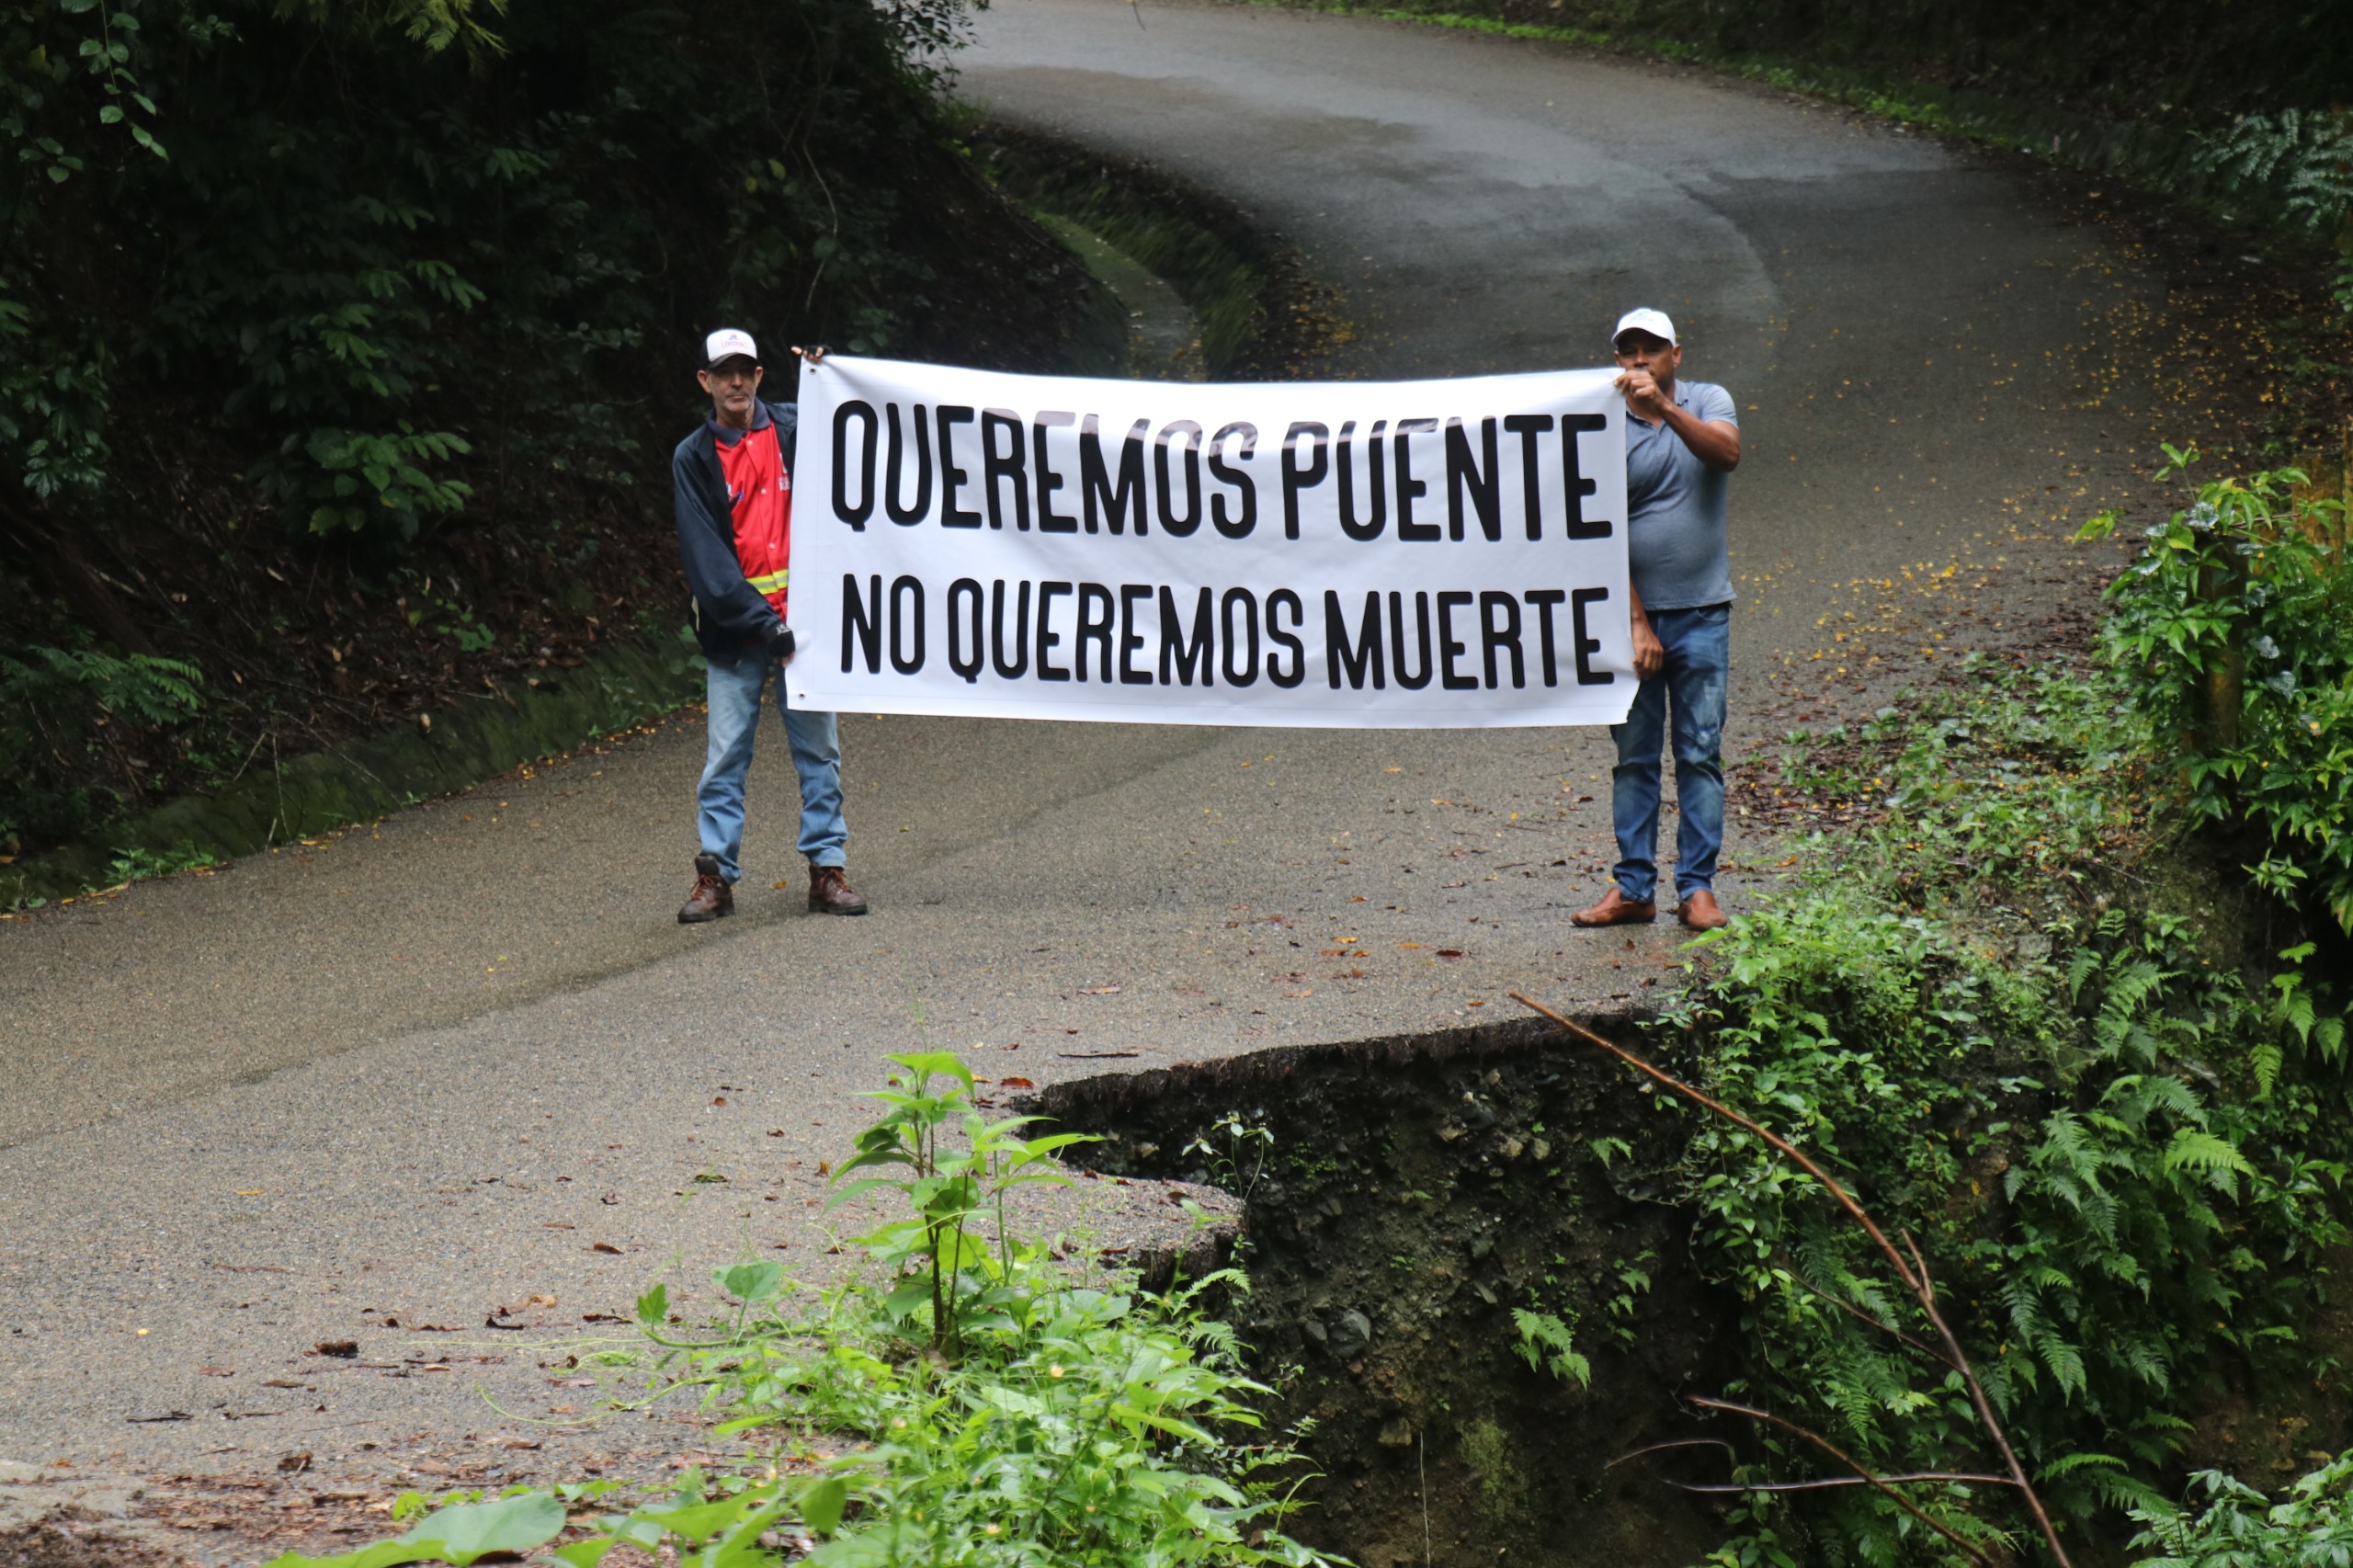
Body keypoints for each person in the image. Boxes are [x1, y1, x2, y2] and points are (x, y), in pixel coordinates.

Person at [673, 327, 867, 922]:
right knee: (726, 756)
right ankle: (716, 879)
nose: (736, 382)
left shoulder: (793, 428)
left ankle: (826, 871)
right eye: (723, 372)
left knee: (819, 753)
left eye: (746, 370)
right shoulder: (694, 457)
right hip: (738, 634)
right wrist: (763, 621)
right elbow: (708, 563)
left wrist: (826, 372)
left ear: (760, 376)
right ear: (705, 382)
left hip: (803, 631)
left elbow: (852, 426)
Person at [1573, 308, 1741, 932]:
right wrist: (1635, 622)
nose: (1637, 362)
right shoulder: (1600, 423)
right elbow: (1595, 531)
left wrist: (1665, 409)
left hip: (1703, 612)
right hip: (1634, 622)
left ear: (1676, 354)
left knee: (1700, 752)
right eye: (1627, 352)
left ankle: (1697, 889)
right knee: (1635, 757)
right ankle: (1633, 886)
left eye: (1650, 351)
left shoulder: (1707, 400)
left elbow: (1726, 455)